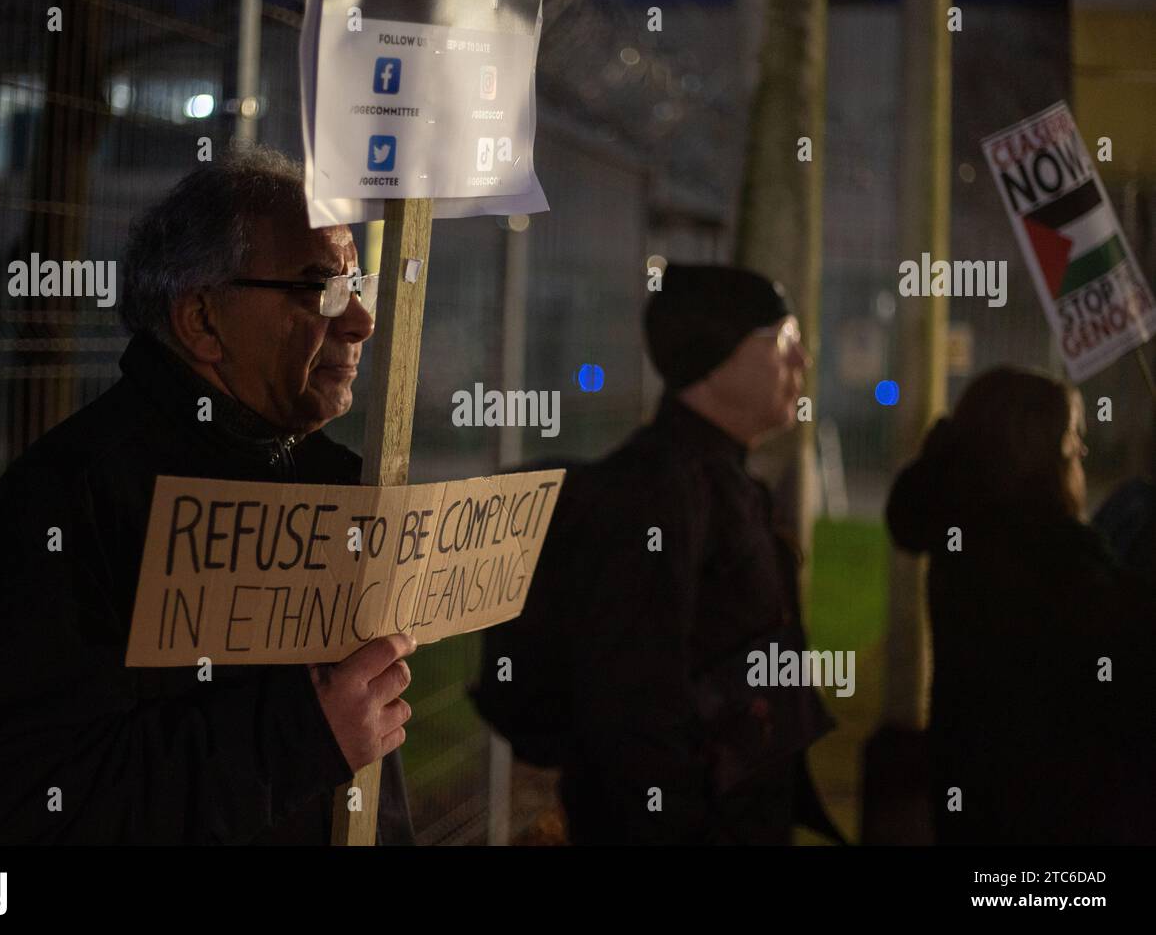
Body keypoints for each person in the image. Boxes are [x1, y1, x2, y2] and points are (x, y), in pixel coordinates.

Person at [0, 146, 417, 845]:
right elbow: (17, 811)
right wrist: (296, 740)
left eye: (355, 283)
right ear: (202, 320)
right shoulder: (63, 510)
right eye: (320, 290)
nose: (361, 321)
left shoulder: (337, 486)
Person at [483, 265, 841, 845]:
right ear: (718, 356)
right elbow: (630, 708)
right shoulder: (656, 493)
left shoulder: (713, 477)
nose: (801, 362)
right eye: (784, 340)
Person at [887, 366, 1156, 844]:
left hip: (977, 800)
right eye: (1074, 439)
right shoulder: (1048, 560)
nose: (1082, 454)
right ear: (1043, 454)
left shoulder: (971, 536)